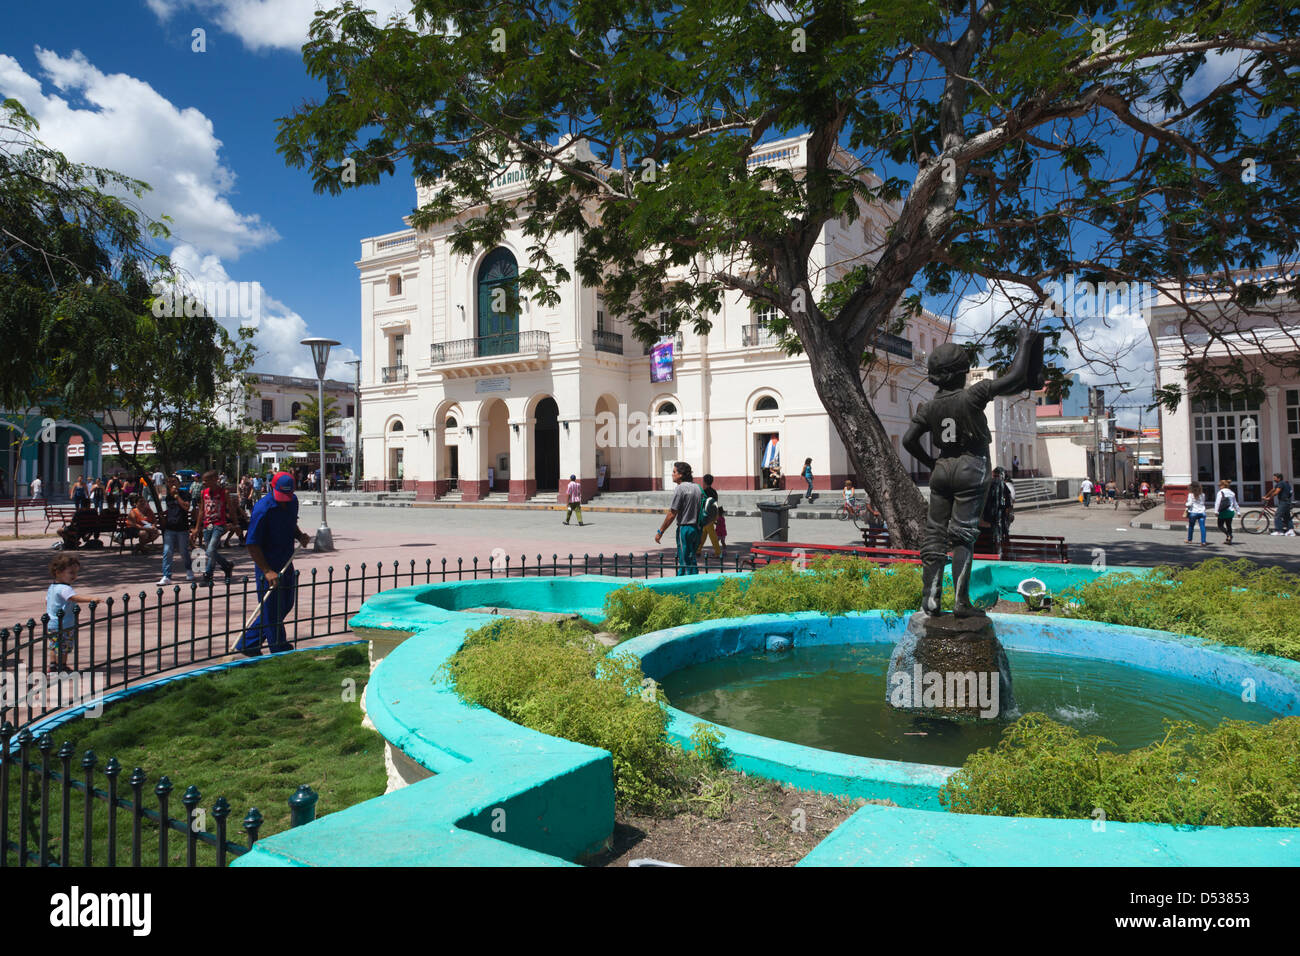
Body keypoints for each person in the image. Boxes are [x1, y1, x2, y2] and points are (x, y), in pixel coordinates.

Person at [902, 326, 1045, 616]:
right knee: (963, 535)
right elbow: (1015, 378)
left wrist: (931, 463)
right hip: (972, 466)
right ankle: (961, 602)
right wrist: (1025, 343)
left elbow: (908, 440)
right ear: (961, 372)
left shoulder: (929, 407)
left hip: (942, 469)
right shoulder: (973, 395)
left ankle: (930, 598)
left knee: (935, 535)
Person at [234, 472, 310, 656]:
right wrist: (267, 571)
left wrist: (299, 535)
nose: (284, 501)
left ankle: (248, 643)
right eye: (281, 496)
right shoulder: (263, 508)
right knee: (271, 608)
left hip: (286, 560)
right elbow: (252, 543)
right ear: (271, 488)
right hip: (266, 564)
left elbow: (291, 523)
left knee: (285, 604)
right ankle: (279, 649)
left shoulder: (292, 502)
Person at [46, 554, 102, 673]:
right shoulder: (65, 588)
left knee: (54, 645)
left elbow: (47, 601)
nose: (74, 576)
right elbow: (73, 597)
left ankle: (53, 665)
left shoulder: (52, 587)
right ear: (58, 572)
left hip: (52, 622)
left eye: (76, 573)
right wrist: (91, 598)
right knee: (64, 646)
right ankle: (62, 665)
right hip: (65, 623)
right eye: (71, 573)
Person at [654, 461, 702, 575]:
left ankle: (683, 584)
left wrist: (661, 531)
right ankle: (694, 580)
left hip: (684, 528)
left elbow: (672, 513)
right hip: (697, 529)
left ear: (681, 474)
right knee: (691, 558)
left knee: (684, 559)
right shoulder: (698, 488)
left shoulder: (680, 489)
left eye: (674, 472)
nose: (672, 474)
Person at [193, 470, 235, 584]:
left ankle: (209, 573)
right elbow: (201, 510)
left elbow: (231, 508)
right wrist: (197, 527)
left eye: (206, 480)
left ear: (215, 479)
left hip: (219, 524)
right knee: (211, 551)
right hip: (207, 525)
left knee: (210, 550)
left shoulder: (223, 492)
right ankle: (216, 571)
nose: (204, 483)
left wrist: (235, 523)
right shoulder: (203, 492)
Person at [159, 475, 195, 584]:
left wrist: (177, 496)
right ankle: (166, 575)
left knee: (183, 551)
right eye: (169, 482)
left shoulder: (185, 494)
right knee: (167, 552)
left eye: (174, 482)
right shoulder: (168, 497)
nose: (172, 484)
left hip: (182, 527)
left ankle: (189, 570)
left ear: (179, 483)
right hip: (170, 528)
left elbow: (186, 507)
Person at [696, 473, 722, 559]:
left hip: (706, 516)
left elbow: (701, 504)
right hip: (713, 515)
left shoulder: (704, 492)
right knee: (703, 533)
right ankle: (698, 550)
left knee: (712, 534)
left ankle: (718, 552)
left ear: (704, 482)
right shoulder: (714, 492)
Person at [1214, 479, 1238, 545]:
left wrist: (1216, 511)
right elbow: (1235, 503)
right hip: (1230, 512)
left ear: (1222, 486)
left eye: (1220, 485)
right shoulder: (1232, 492)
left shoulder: (1220, 492)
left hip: (1223, 512)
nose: (1219, 487)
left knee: (1220, 525)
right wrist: (1238, 512)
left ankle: (1228, 535)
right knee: (1229, 525)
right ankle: (1229, 540)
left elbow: (1217, 502)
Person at [1185, 481, 1208, 546]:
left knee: (1191, 526)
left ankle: (1189, 540)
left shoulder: (1191, 495)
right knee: (1202, 527)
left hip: (1193, 513)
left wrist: (1186, 504)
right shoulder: (1203, 494)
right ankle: (1203, 542)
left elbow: (1189, 504)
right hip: (1202, 512)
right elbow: (1203, 502)